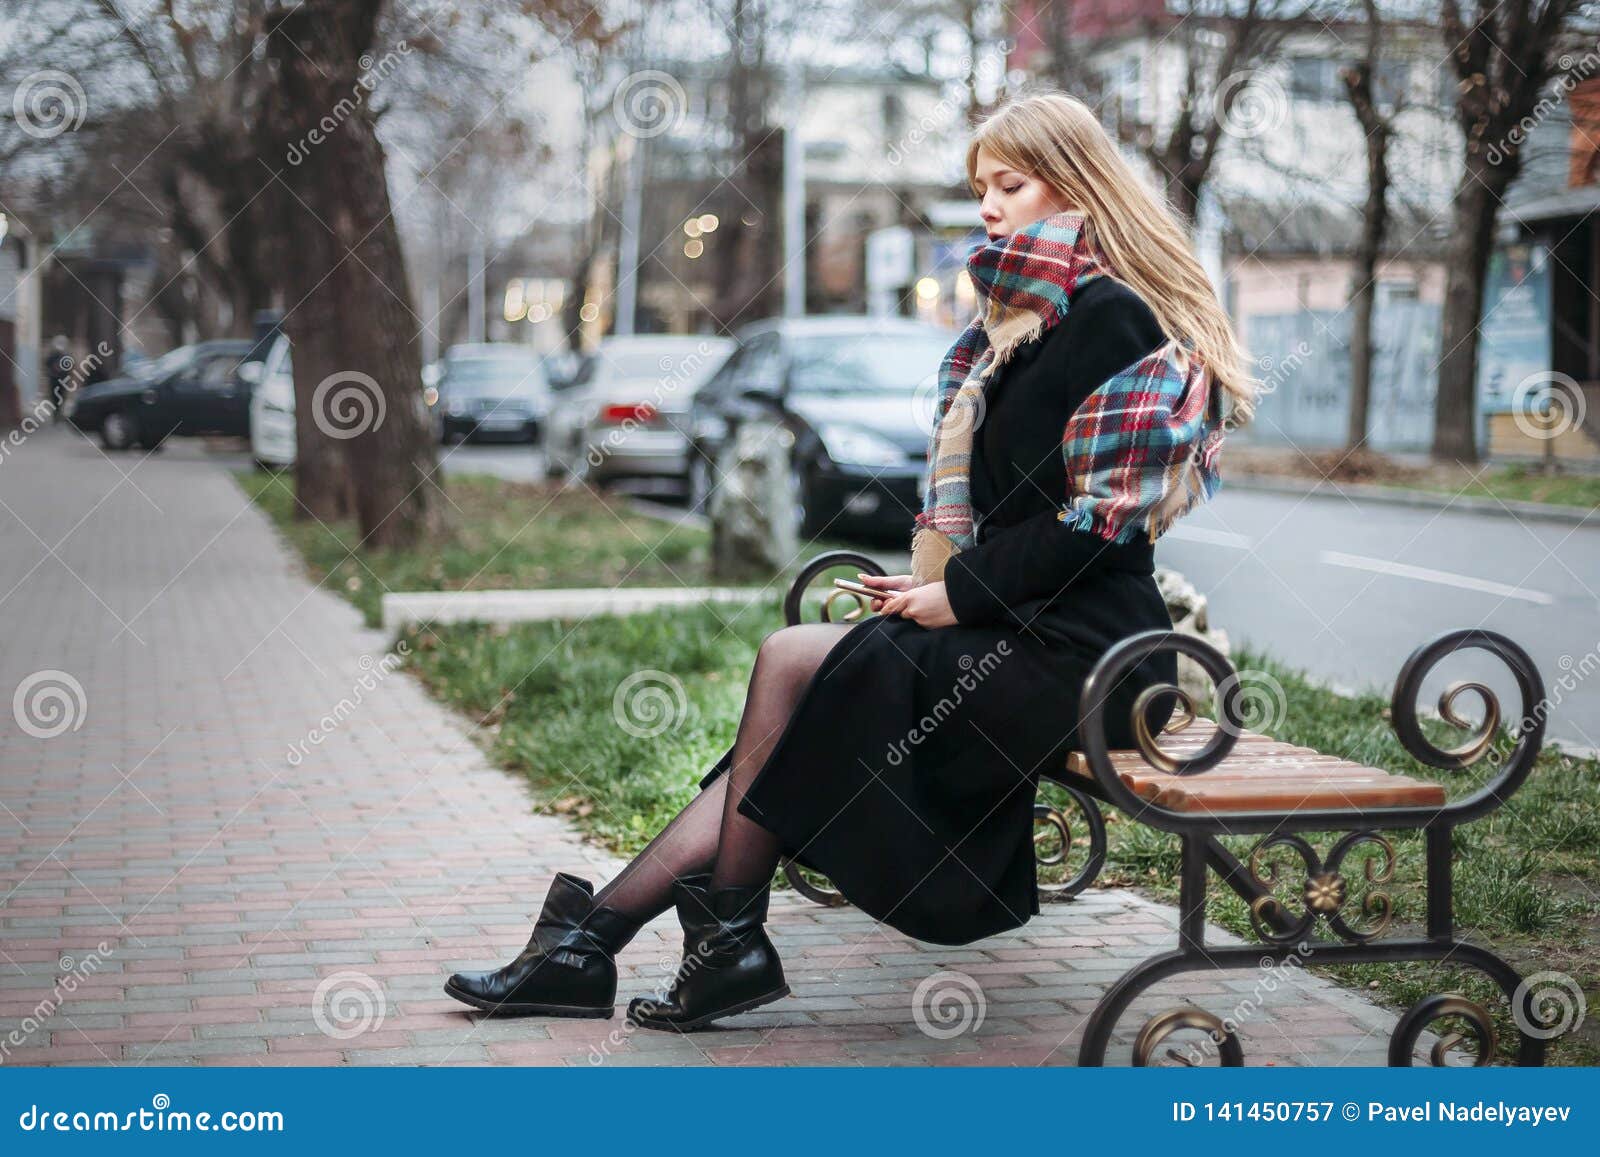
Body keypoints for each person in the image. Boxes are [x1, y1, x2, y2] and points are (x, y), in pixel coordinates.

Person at [444, 88, 1260, 1032]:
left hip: (1090, 653)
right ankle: (649, 943)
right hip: (1020, 629)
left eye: (1010, 184)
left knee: (799, 671)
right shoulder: (1014, 333)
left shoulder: (1111, 318)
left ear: (1071, 185)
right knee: (795, 670)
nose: (988, 206)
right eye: (979, 186)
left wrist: (954, 595)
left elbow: (1100, 526)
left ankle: (628, 944)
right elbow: (1012, 516)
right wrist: (933, 588)